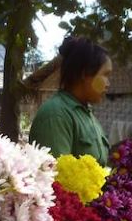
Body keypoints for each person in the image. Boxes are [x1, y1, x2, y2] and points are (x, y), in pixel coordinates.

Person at [28, 36, 112, 165]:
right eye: (105, 75)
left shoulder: (86, 115)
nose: (108, 83)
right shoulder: (56, 115)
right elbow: (56, 179)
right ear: (85, 74)